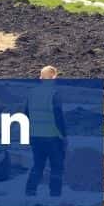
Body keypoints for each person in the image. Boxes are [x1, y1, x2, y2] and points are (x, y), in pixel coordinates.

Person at [25, 65, 68, 199]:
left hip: (35, 136)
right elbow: (58, 117)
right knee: (57, 166)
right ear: (53, 78)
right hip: (52, 137)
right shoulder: (54, 94)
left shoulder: (31, 93)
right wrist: (64, 136)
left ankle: (30, 192)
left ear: (40, 78)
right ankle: (55, 195)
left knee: (38, 165)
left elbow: (25, 114)